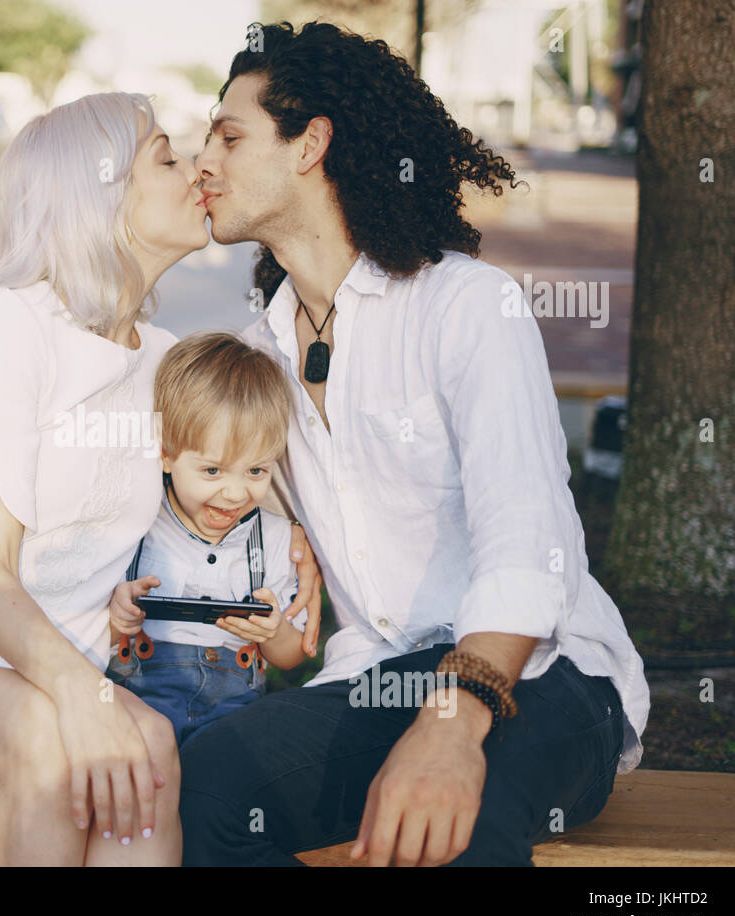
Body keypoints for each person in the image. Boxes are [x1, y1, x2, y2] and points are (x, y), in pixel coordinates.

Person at [178, 20, 651, 866]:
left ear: (309, 145)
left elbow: (528, 545)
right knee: (206, 785)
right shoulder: (259, 359)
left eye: (229, 134)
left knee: (453, 835)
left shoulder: (465, 306)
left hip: (545, 676)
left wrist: (451, 717)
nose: (202, 162)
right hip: (382, 677)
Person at [0, 91, 324, 866]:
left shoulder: (161, 360)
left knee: (149, 744)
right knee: (52, 732)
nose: (197, 171)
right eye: (167, 157)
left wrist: (297, 542)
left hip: (60, 680)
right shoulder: (11, 325)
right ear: (102, 189)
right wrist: (86, 697)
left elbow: (239, 472)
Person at [107, 332, 310, 747]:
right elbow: (95, 638)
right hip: (138, 709)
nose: (235, 494)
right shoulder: (136, 523)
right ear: (165, 454)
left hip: (234, 717)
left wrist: (273, 632)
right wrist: (116, 622)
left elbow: (290, 658)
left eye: (256, 471)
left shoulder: (271, 540)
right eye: (212, 472)